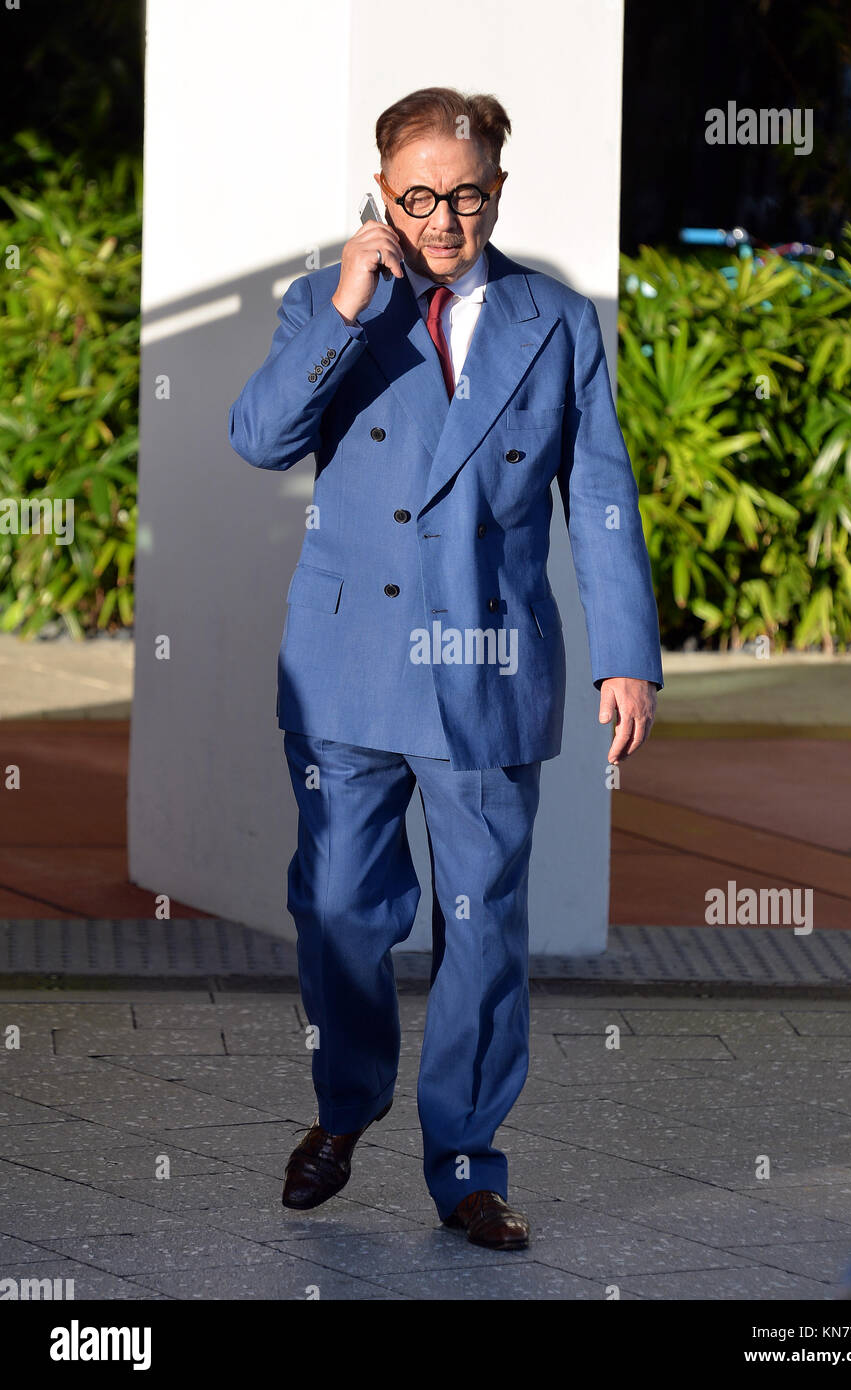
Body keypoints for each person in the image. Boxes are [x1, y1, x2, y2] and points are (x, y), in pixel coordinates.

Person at [228, 86, 662, 1251]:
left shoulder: (555, 320)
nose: (441, 217)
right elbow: (259, 437)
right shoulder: (328, 307)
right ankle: (343, 1104)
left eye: (463, 193)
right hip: (347, 667)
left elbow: (603, 498)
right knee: (336, 911)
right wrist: (344, 308)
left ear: (496, 191)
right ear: (381, 193)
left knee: (481, 928)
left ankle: (466, 1161)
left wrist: (626, 655)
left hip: (486, 664)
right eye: (415, 194)